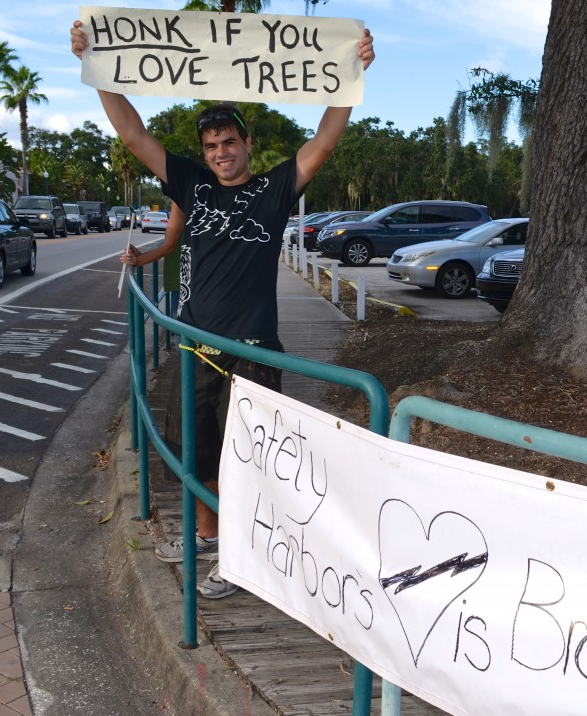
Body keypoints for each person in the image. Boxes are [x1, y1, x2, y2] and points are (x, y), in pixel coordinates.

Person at [71, 20, 375, 598]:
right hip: (195, 345)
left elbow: (323, 143)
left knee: (247, 461)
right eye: (211, 147)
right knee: (196, 451)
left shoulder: (275, 189)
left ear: (246, 143)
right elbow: (133, 134)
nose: (220, 154)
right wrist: (96, 68)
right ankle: (208, 536)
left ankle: (240, 558)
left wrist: (352, 74)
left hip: (251, 351)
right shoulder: (193, 184)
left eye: (228, 143)